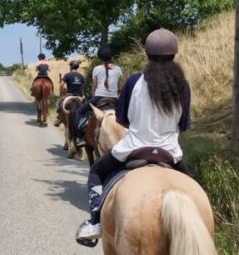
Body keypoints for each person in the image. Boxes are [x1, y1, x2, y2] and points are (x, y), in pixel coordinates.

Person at [76, 29, 192, 241]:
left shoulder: (135, 81)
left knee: (95, 172)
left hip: (133, 147)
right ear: (174, 55)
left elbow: (122, 120)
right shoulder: (183, 86)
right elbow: (183, 125)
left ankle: (94, 222)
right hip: (171, 153)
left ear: (147, 55)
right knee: (193, 190)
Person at [70, 46, 122, 146]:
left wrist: (93, 96)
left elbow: (94, 87)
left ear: (100, 58)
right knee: (128, 115)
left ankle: (80, 137)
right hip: (114, 99)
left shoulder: (97, 69)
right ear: (112, 57)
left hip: (98, 97)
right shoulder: (118, 69)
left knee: (79, 112)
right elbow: (120, 87)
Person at [54, 60, 85, 127]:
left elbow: (61, 85)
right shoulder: (81, 76)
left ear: (71, 67)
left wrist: (63, 90)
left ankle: (59, 119)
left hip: (70, 95)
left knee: (59, 102)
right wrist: (83, 95)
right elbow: (81, 86)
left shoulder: (67, 75)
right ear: (77, 67)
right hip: (79, 96)